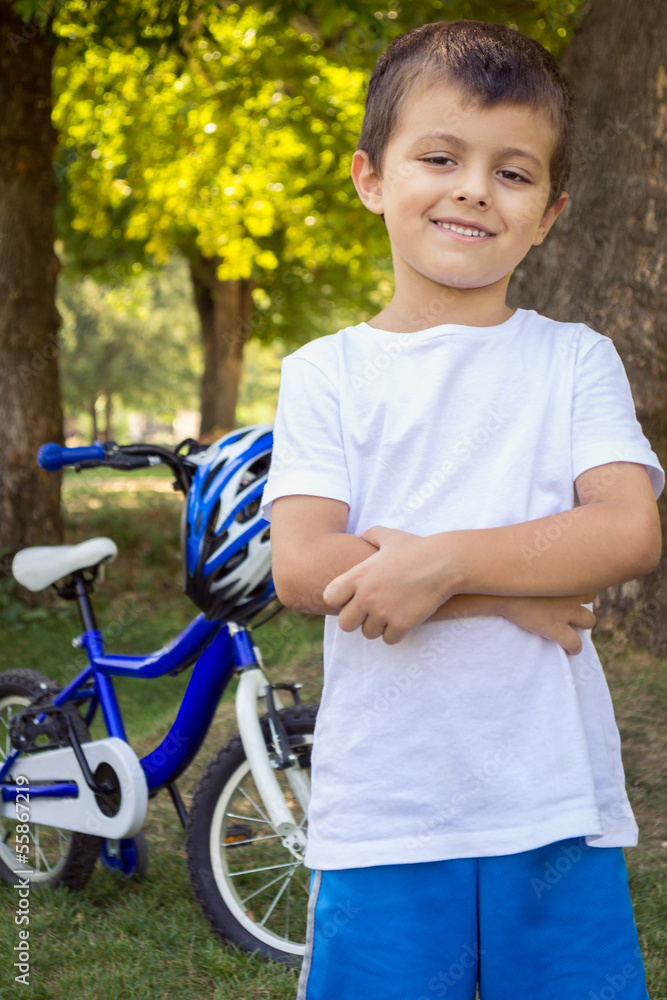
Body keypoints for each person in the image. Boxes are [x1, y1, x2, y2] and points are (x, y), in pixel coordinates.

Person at [261, 20, 663, 1000]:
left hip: (553, 801)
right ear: (369, 177)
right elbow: (306, 564)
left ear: (550, 212)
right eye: (439, 157)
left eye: (512, 172)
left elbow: (623, 530)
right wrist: (511, 593)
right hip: (388, 805)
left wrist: (433, 563)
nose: (474, 187)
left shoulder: (572, 360)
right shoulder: (326, 374)